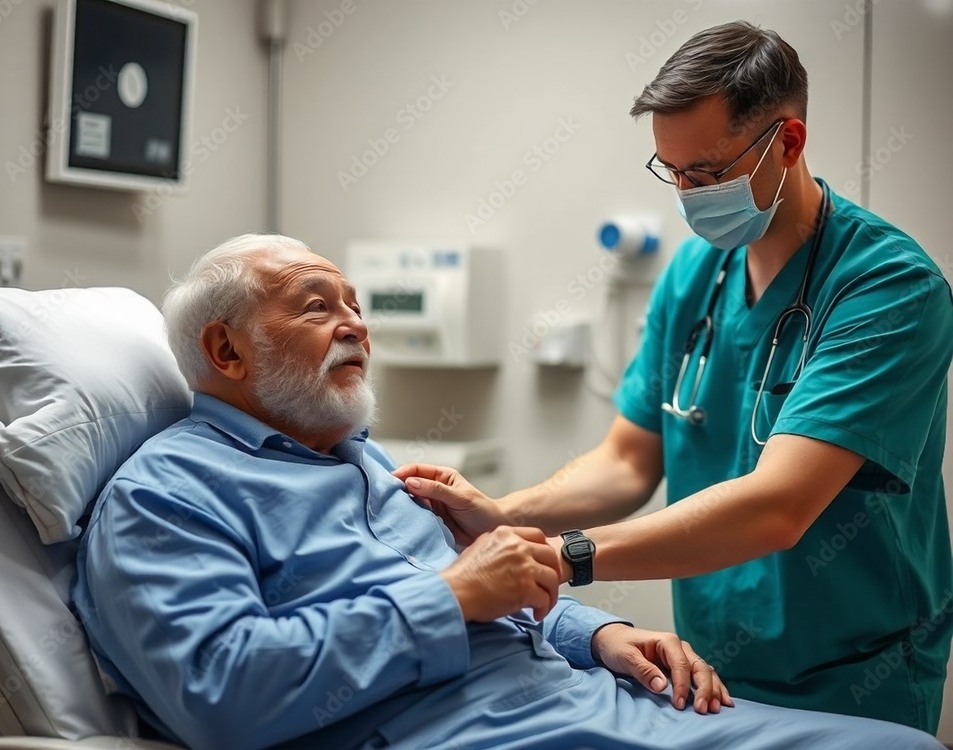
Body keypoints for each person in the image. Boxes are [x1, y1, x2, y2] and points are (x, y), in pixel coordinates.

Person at [71, 235, 943, 750]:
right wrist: (449, 595)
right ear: (226, 353)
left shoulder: (362, 463)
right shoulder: (167, 498)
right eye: (315, 306)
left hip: (583, 699)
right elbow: (220, 692)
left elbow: (489, 598)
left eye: (356, 303)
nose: (356, 325)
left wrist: (596, 631)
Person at [395, 21, 953, 735]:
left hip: (851, 674)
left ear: (787, 143)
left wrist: (567, 558)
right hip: (711, 667)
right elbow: (628, 460)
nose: (690, 196)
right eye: (674, 174)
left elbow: (777, 507)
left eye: (709, 173)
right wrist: (506, 514)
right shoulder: (694, 274)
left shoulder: (888, 289)